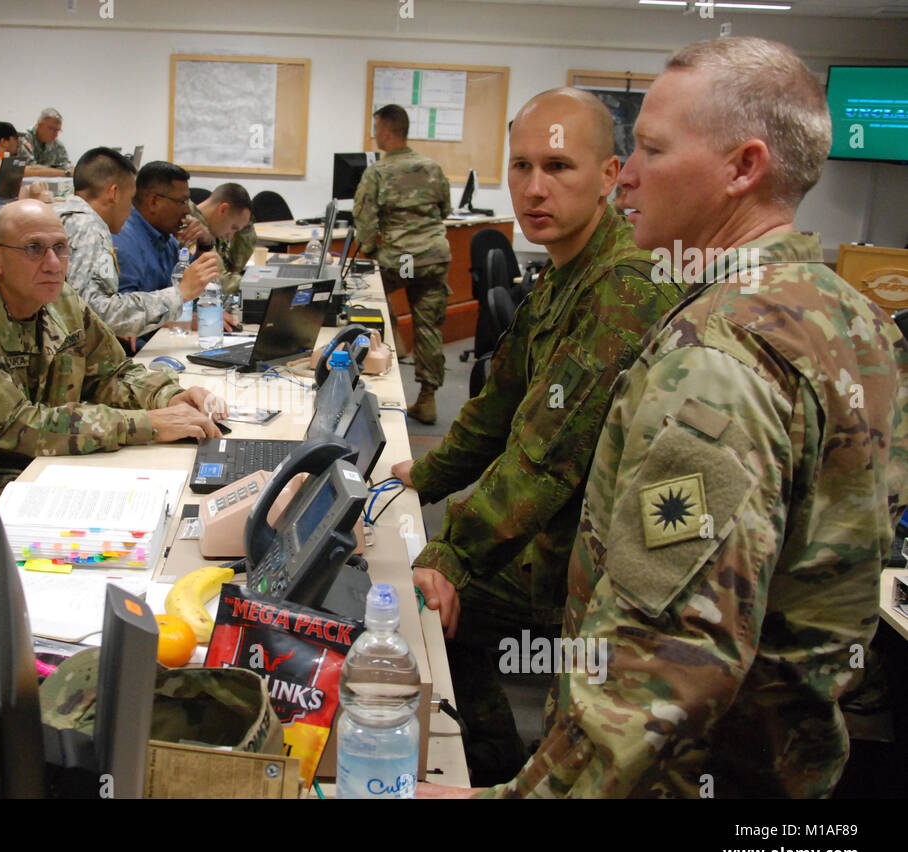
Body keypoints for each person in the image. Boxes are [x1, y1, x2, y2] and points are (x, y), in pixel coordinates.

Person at [428, 37, 908, 799]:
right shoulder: (857, 319)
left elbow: (667, 664)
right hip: (788, 766)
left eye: (651, 149)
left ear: (742, 169)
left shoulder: (717, 357)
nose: (630, 179)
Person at [392, 88, 681, 784]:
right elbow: (499, 407)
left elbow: (540, 459)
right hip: (552, 538)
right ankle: (490, 766)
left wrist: (449, 554)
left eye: (558, 166)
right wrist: (416, 480)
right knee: (428, 614)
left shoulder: (625, 285)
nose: (534, 187)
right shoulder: (565, 273)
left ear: (611, 176)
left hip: (605, 572)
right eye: (520, 166)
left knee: (428, 606)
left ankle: (494, 775)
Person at [0, 199, 225, 495]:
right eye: (34, 249)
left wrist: (168, 396)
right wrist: (147, 423)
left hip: (43, 464)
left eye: (61, 248)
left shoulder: (59, 297)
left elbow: (111, 372)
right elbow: (18, 427)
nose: (53, 263)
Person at [353, 104, 451, 424]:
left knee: (367, 294)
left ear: (386, 131)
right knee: (428, 326)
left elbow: (365, 221)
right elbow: (445, 209)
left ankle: (391, 347)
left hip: (401, 260)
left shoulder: (378, 172)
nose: (374, 135)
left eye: (376, 128)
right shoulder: (432, 167)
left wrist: (367, 251)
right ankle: (427, 399)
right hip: (434, 258)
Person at [57, 148, 218, 339]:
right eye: (130, 198)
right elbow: (96, 316)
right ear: (114, 193)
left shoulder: (65, 216)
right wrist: (180, 293)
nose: (131, 207)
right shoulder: (90, 228)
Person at [112, 161, 223, 340]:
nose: (188, 210)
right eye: (182, 201)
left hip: (166, 339)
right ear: (154, 202)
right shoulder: (123, 242)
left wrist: (205, 242)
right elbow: (125, 319)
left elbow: (188, 289)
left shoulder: (166, 238)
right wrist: (191, 321)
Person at [185, 183, 257, 298]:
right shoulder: (192, 228)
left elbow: (234, 268)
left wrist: (246, 224)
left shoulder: (214, 229)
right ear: (223, 209)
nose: (230, 236)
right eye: (234, 227)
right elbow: (221, 284)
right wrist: (263, 284)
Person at [18, 108, 70, 177]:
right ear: (40, 125)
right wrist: (63, 173)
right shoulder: (24, 139)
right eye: (53, 129)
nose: (56, 134)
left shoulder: (57, 144)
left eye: (58, 130)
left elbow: (67, 166)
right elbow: (29, 170)